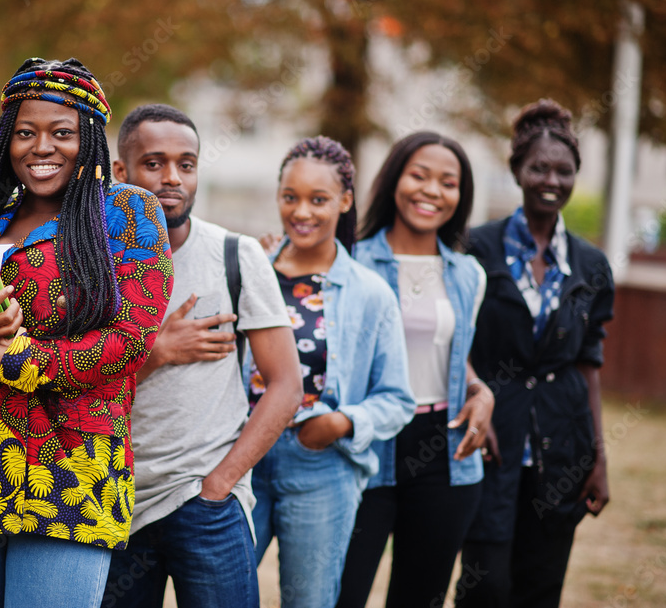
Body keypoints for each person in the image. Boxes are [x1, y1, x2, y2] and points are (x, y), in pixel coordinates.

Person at [0, 58, 174, 608]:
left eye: (61, 132)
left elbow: (128, 343)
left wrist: (0, 361)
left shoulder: (126, 213)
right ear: (6, 141)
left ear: (88, 139)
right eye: (25, 132)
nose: (41, 146)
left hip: (71, 474)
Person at [103, 104, 302, 608]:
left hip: (207, 505)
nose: (172, 178)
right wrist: (158, 352)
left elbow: (285, 384)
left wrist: (222, 483)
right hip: (114, 499)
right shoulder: (93, 264)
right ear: (121, 173)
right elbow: (77, 383)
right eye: (154, 163)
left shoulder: (236, 254)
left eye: (186, 164)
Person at [455, 99, 613, 608]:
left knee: (540, 589)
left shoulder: (591, 265)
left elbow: (588, 363)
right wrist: (477, 397)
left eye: (564, 170)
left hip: (562, 448)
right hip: (490, 442)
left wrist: (598, 458)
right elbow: (454, 339)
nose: (552, 179)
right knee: (486, 587)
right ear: (517, 171)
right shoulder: (475, 248)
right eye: (539, 167)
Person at [246, 136, 415, 608]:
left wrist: (340, 424)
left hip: (321, 466)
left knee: (310, 600)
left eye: (318, 200)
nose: (302, 212)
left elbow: (397, 398)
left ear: (344, 201)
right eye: (290, 197)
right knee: (219, 593)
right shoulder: (248, 271)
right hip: (242, 459)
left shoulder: (371, 293)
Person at [338, 132, 494, 608]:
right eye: (419, 176)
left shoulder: (468, 273)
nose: (431, 191)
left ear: (460, 197)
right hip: (365, 440)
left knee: (421, 598)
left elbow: (448, 347)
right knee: (341, 594)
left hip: (444, 445)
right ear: (394, 181)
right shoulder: (351, 260)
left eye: (448, 183)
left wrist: (478, 388)